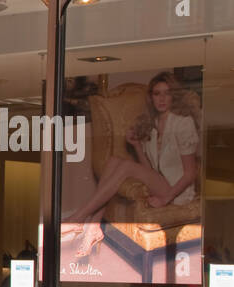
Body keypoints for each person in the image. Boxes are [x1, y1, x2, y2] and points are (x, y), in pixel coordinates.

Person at [63, 71, 200, 258]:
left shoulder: (183, 124)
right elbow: (150, 170)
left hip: (177, 192)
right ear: (151, 98)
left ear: (173, 96)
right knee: (114, 162)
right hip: (161, 183)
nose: (162, 99)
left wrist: (165, 199)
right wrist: (136, 146)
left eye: (166, 93)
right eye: (157, 93)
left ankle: (79, 218)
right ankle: (93, 226)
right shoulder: (151, 124)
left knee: (125, 166)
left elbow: (190, 173)